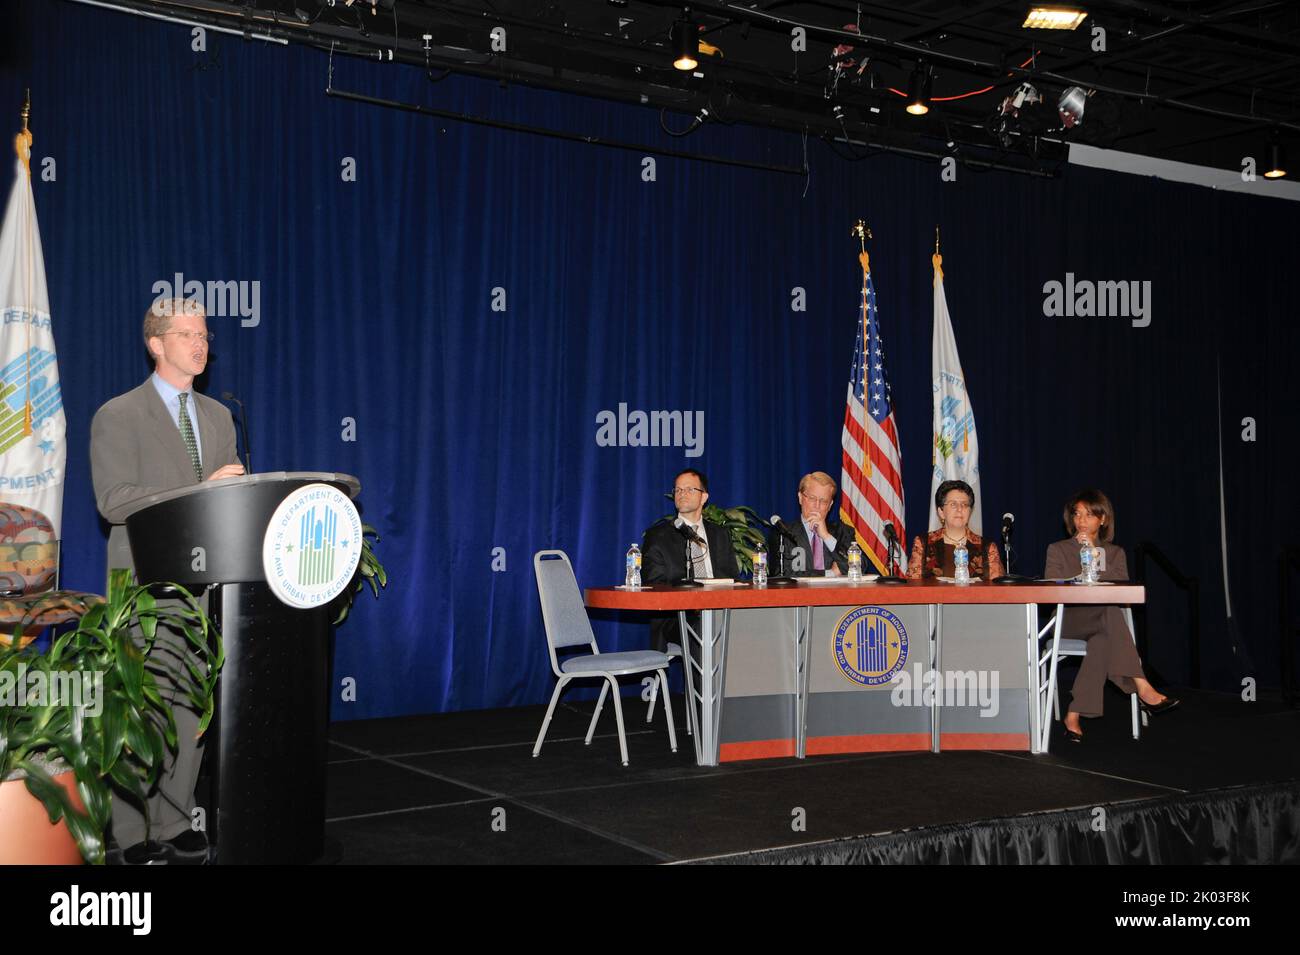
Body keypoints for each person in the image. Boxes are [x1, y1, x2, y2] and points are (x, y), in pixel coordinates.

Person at [89, 297, 245, 863]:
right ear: (155, 343)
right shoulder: (118, 414)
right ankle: (130, 833)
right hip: (144, 583)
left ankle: (176, 819)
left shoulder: (219, 416)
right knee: (142, 707)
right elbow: (114, 502)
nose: (200, 344)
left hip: (206, 584)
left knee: (188, 709)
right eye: (186, 335)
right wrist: (201, 491)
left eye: (204, 334)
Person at [1044, 489, 1178, 742]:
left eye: (1089, 514)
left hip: (1103, 625)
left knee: (1103, 639)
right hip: (1068, 620)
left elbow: (1121, 592)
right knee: (1109, 612)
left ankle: (1073, 713)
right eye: (1077, 514)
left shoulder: (1115, 553)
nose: (1081, 520)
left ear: (1103, 519)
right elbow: (1052, 588)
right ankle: (1142, 685)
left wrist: (1095, 562)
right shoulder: (1058, 549)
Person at [641, 468, 739, 651]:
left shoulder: (719, 534)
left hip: (719, 609)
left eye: (689, 489)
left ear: (704, 497)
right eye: (678, 490)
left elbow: (732, 577)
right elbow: (654, 584)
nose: (682, 494)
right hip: (679, 616)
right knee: (702, 628)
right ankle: (702, 682)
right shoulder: (658, 536)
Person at [908, 479, 1004, 580]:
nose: (959, 509)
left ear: (970, 511)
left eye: (964, 504)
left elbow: (997, 588)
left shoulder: (987, 547)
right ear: (941, 512)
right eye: (953, 504)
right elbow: (913, 585)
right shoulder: (924, 544)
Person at [768, 471, 857, 576]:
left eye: (823, 501)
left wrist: (826, 536)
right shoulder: (783, 533)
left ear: (830, 505)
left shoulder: (843, 532)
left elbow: (858, 565)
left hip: (837, 592)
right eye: (812, 498)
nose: (817, 505)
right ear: (800, 498)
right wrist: (829, 574)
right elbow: (781, 574)